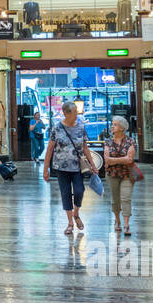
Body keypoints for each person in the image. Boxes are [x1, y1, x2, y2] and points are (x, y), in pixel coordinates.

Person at [43, 100, 101, 236]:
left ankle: (76, 213)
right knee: (66, 193)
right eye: (74, 112)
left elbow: (85, 148)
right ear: (66, 113)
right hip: (61, 167)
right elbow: (49, 149)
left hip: (77, 166)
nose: (77, 115)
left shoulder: (81, 127)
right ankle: (70, 223)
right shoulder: (57, 128)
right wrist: (46, 169)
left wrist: (93, 165)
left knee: (80, 190)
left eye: (77, 112)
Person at [104, 115, 136, 236]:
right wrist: (121, 159)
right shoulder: (108, 141)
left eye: (115, 124)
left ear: (122, 128)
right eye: (112, 124)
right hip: (112, 174)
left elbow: (130, 159)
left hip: (127, 174)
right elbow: (106, 160)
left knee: (126, 198)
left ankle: (126, 224)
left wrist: (113, 160)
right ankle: (117, 220)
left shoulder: (130, 141)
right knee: (115, 199)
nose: (112, 126)